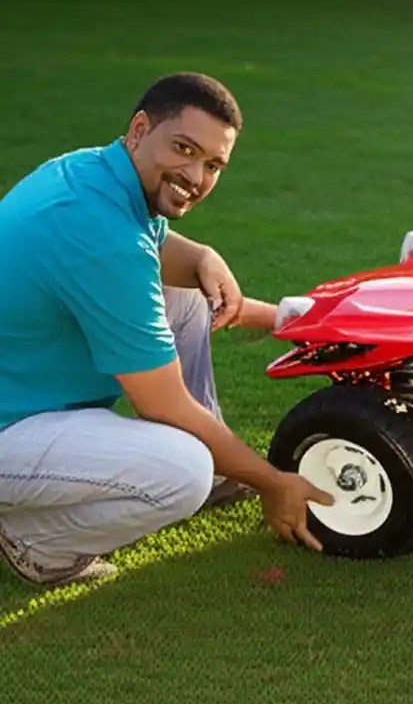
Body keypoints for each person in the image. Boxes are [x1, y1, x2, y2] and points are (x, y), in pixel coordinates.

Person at [0, 72, 334, 589]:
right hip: (9, 427)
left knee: (187, 292)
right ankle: (38, 542)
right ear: (140, 130)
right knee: (183, 471)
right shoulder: (103, 239)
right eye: (184, 149)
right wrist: (273, 482)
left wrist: (212, 265)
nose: (196, 176)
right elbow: (163, 403)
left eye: (213, 165)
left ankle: (223, 473)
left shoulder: (94, 175)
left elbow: (156, 253)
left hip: (21, 393)